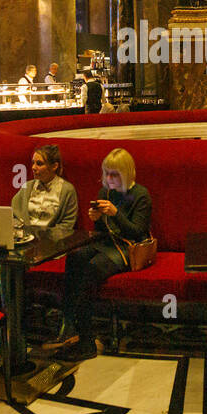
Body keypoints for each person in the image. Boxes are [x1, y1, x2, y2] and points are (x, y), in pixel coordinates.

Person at [47, 148, 151, 362]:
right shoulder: (105, 193)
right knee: (74, 258)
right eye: (106, 173)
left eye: (114, 174)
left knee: (91, 269)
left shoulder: (140, 194)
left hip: (128, 247)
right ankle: (69, 325)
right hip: (106, 243)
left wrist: (116, 213)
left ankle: (87, 341)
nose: (109, 179)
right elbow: (101, 232)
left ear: (126, 173)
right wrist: (96, 218)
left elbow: (137, 232)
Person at [10, 144, 78, 231]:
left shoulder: (67, 190)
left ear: (54, 166)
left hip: (52, 238)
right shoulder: (27, 187)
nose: (33, 167)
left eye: (39, 164)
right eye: (33, 163)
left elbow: (67, 223)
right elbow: (14, 215)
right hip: (25, 235)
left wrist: (47, 235)